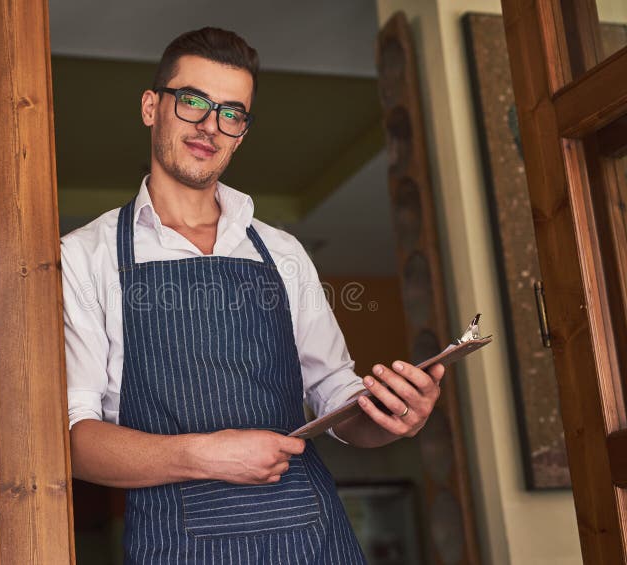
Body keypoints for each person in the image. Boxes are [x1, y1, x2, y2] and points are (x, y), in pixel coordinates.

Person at [61, 27, 444, 564]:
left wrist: (391, 418)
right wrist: (207, 456)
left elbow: (337, 397)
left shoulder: (281, 251)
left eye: (231, 113)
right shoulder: (86, 256)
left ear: (242, 132)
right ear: (152, 106)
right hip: (177, 544)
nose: (209, 127)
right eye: (192, 102)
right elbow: (76, 442)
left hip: (312, 536)